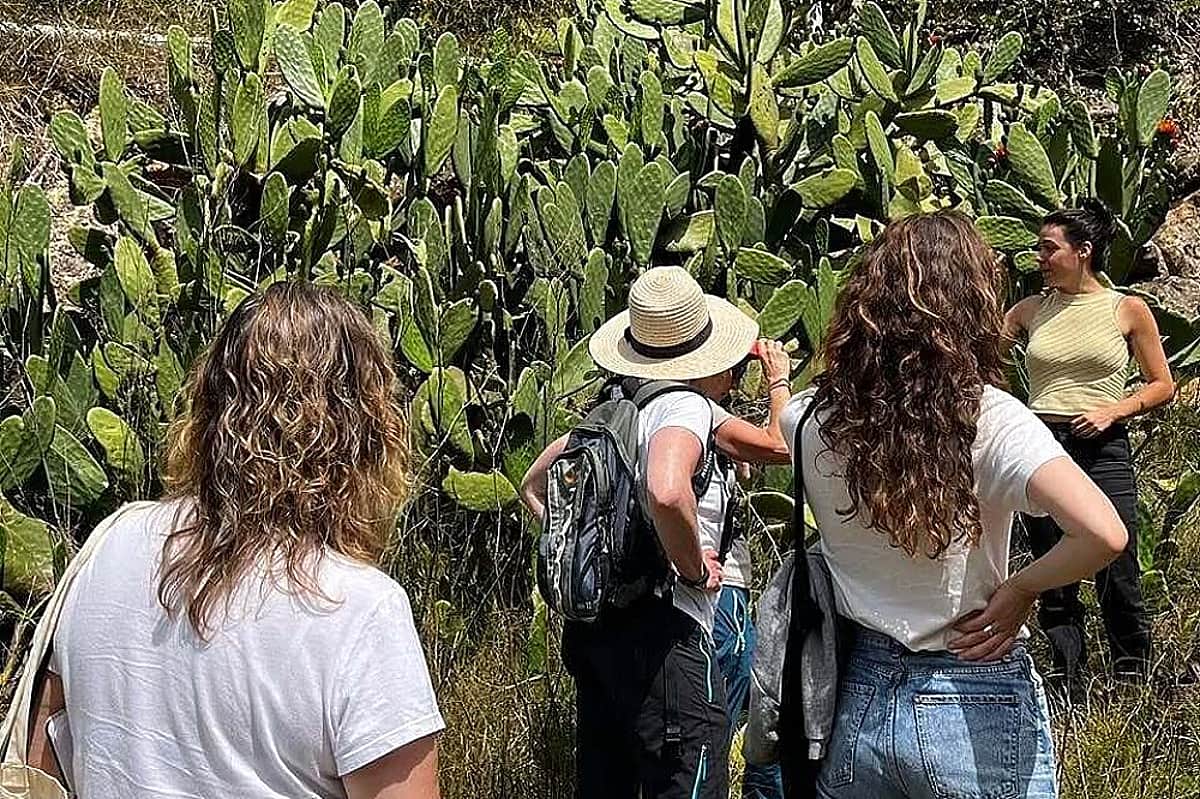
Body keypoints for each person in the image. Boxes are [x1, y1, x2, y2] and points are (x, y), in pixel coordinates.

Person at [28, 282, 444, 799]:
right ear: (364, 429)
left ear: (209, 404)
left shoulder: (109, 546)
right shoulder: (359, 609)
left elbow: (38, 754)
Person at [780, 211, 1129, 798]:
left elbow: (786, 421)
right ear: (970, 304)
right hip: (974, 687)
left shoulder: (808, 417)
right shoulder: (993, 419)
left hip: (857, 694)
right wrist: (1020, 589)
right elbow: (1104, 533)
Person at [520, 266, 760, 799]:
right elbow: (668, 489)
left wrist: (600, 556)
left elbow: (533, 485)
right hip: (666, 639)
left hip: (597, 634)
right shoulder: (687, 406)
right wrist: (693, 567)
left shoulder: (612, 411)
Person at [1005, 200, 1174, 687]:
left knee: (1117, 565)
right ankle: (1068, 679)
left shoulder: (1126, 309)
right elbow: (978, 357)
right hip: (1039, 446)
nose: (1038, 256)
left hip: (1103, 445)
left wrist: (1112, 410)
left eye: (1048, 248)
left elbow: (1162, 384)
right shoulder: (1030, 309)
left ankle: (1132, 680)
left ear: (1083, 251)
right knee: (1052, 570)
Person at [708, 343, 793, 799]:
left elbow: (531, 484)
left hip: (697, 593)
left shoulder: (633, 410)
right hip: (720, 591)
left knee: (749, 717)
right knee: (751, 719)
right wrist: (778, 380)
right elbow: (782, 444)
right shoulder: (698, 413)